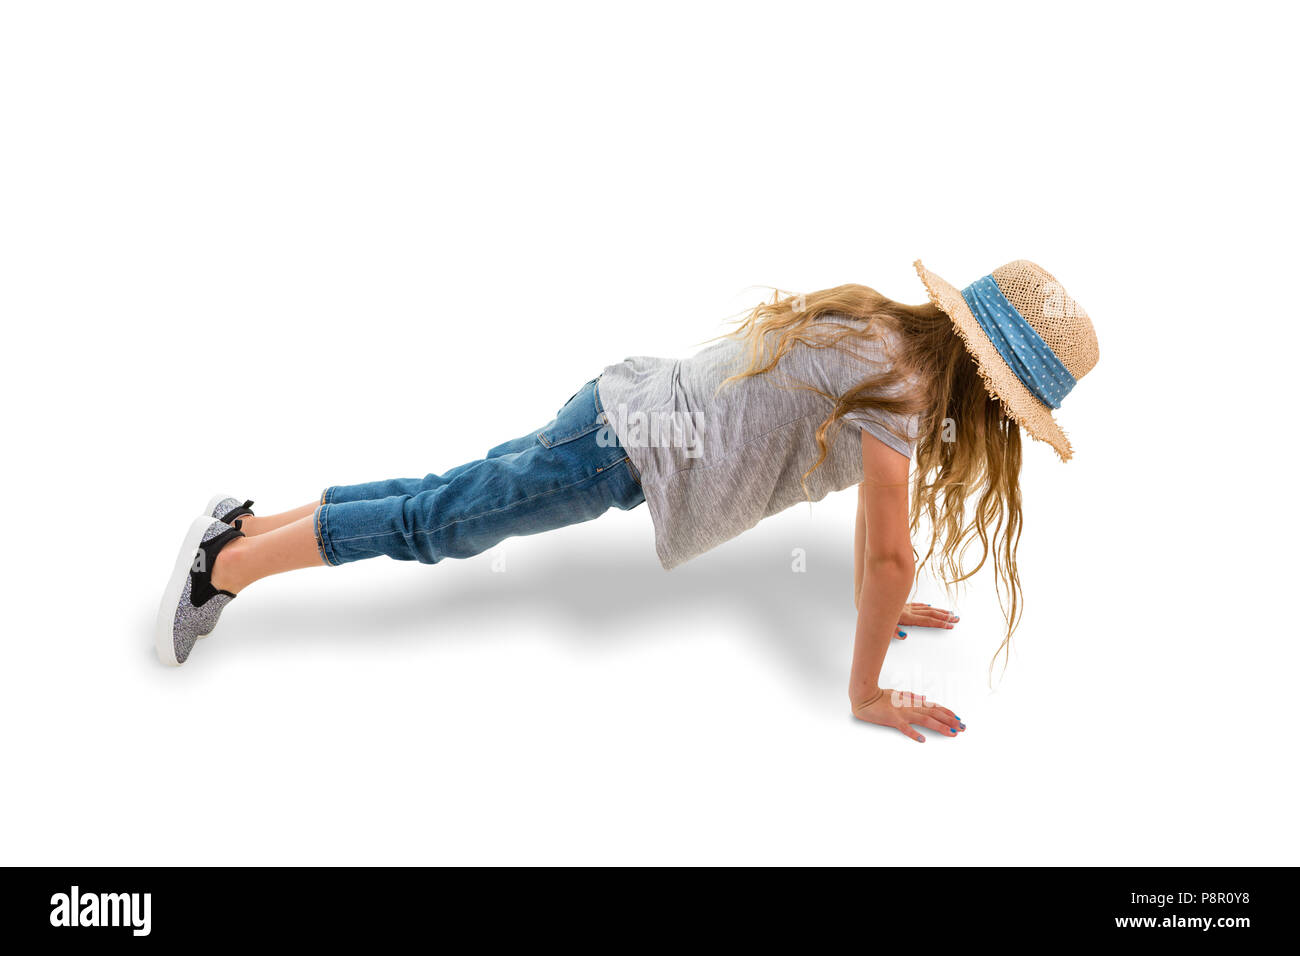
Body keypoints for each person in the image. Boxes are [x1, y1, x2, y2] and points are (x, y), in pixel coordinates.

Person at [155, 259, 1099, 742]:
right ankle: (227, 564)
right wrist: (864, 690)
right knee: (435, 525)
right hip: (618, 451)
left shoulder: (888, 334)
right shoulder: (904, 395)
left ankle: (243, 525)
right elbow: (892, 550)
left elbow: (874, 537)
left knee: (441, 499)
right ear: (991, 389)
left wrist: (870, 600)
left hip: (618, 413)